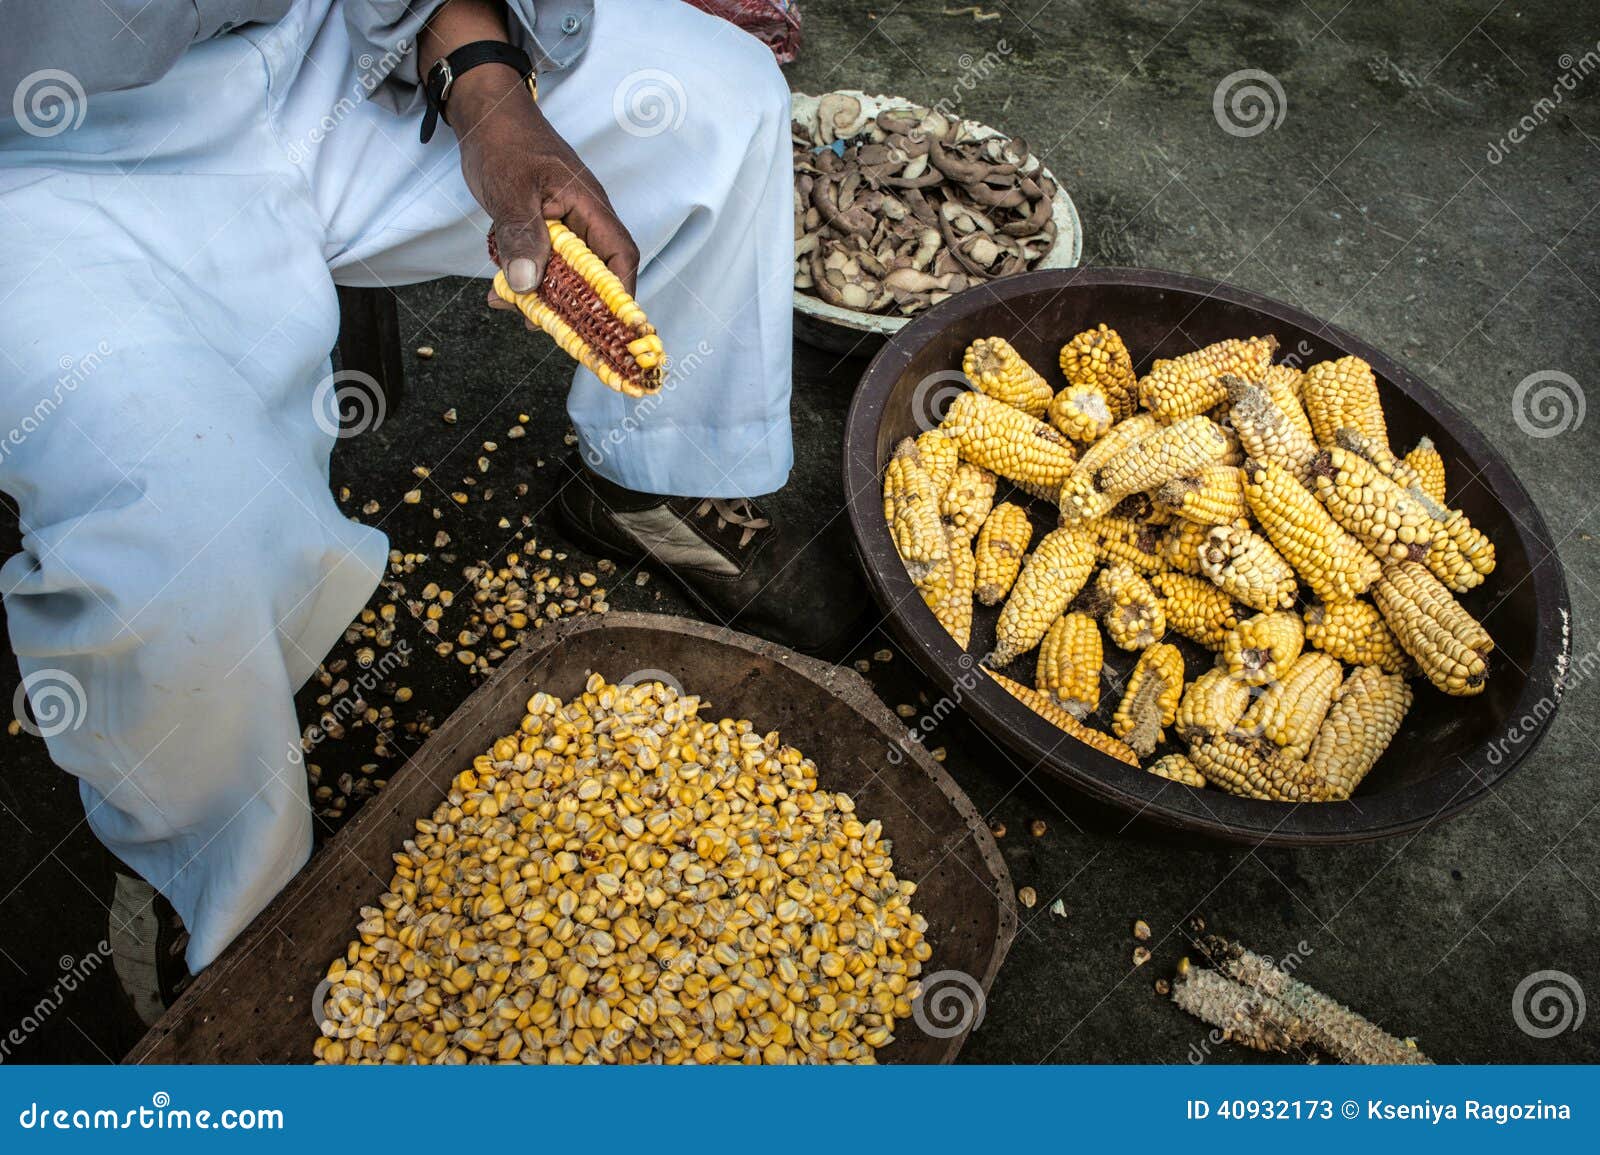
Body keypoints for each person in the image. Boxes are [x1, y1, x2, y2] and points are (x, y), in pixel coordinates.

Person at [0, 0, 862, 1015]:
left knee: (720, 105)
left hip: (324, 45)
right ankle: (217, 883)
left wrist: (490, 94)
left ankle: (649, 480)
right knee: (194, 534)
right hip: (42, 152)